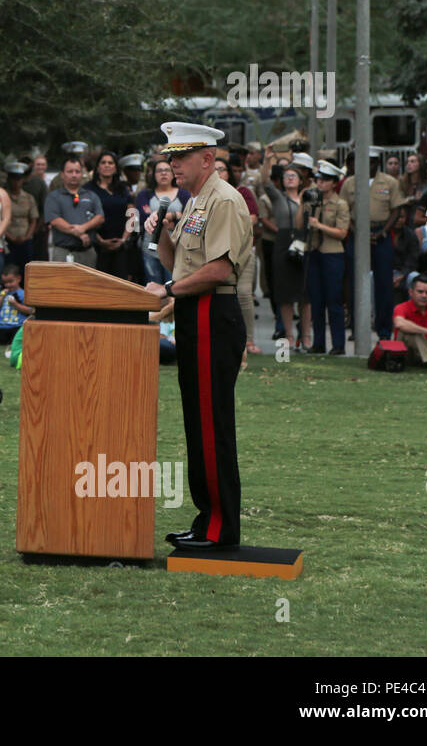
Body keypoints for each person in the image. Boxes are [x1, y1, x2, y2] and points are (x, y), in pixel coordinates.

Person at [143, 122, 252, 551]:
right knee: (199, 424)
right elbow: (179, 265)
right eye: (170, 158)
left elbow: (219, 270)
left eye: (180, 157)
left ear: (207, 158)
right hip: (195, 312)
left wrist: (167, 292)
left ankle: (219, 527)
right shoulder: (194, 201)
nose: (173, 166)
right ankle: (208, 518)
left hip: (213, 312)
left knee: (212, 426)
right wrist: (162, 232)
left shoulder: (223, 199)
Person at [341, 149, 408, 343]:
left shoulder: (390, 182)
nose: (369, 166)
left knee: (384, 284)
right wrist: (357, 233)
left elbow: (396, 209)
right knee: (355, 283)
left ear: (377, 163)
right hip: (357, 233)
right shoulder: (349, 183)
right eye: (365, 161)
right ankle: (356, 327)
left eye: (372, 162)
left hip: (382, 234)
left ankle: (384, 330)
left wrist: (384, 231)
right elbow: (344, 211)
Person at [303, 161, 351, 356]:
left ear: (333, 183)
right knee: (316, 300)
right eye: (318, 180)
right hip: (313, 251)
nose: (319, 184)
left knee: (334, 300)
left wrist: (319, 226)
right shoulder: (313, 200)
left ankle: (338, 344)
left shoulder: (340, 204)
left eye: (324, 180)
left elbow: (342, 232)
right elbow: (301, 224)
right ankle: (318, 342)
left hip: (332, 253)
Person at [214, 157, 260, 357]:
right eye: (214, 169)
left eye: (222, 169)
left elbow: (252, 219)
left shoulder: (242, 193)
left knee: (243, 293)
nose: (218, 173)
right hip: (216, 253)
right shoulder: (204, 196)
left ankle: (249, 340)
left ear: (229, 173)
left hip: (243, 251)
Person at [261, 165, 311, 349]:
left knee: (306, 295)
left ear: (300, 180)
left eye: (293, 176)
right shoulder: (278, 197)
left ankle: (306, 336)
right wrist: (268, 158)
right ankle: (288, 334)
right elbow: (265, 180)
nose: (290, 178)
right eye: (286, 176)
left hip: (303, 241)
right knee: (285, 294)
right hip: (283, 243)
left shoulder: (308, 198)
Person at [136, 159, 190, 285]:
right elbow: (143, 217)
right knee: (152, 285)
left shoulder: (184, 194)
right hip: (149, 248)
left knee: (173, 284)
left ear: (173, 173)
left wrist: (170, 217)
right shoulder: (145, 194)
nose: (163, 173)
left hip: (176, 248)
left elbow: (189, 216)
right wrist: (176, 216)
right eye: (159, 171)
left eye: (167, 170)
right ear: (153, 175)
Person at [43, 157, 104, 267]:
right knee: (62, 284)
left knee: (88, 284)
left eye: (77, 171)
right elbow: (55, 221)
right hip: (63, 252)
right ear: (62, 174)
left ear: (82, 174)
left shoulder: (91, 195)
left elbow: (100, 217)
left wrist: (83, 228)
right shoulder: (53, 197)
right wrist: (78, 233)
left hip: (87, 252)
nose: (74, 175)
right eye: (70, 171)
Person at [88, 151, 136, 279]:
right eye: (103, 162)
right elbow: (84, 217)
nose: (107, 165)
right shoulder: (88, 189)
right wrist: (101, 241)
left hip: (121, 246)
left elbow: (132, 215)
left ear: (115, 168)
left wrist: (124, 239)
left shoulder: (123, 189)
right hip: (97, 246)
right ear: (97, 167)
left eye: (110, 163)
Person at [0, 263, 33, 345]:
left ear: (18, 279)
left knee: (16, 341)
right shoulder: (3, 293)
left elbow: (30, 311)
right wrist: (1, 296)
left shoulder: (22, 294)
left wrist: (15, 304)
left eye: (10, 281)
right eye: (5, 282)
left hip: (17, 326)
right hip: (3, 326)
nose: (8, 285)